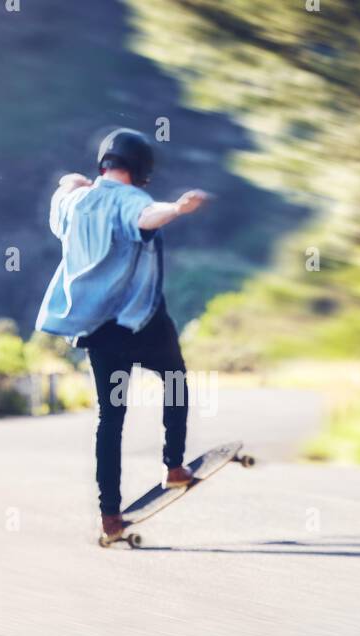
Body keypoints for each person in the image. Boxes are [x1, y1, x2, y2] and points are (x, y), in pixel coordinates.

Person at [36, 128, 209, 541]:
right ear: (142, 169)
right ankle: (174, 467)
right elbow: (147, 218)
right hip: (141, 322)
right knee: (175, 382)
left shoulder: (73, 202)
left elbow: (63, 193)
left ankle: (109, 517)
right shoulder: (135, 201)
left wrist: (70, 182)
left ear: (104, 164)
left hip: (98, 331)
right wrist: (178, 209)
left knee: (110, 419)